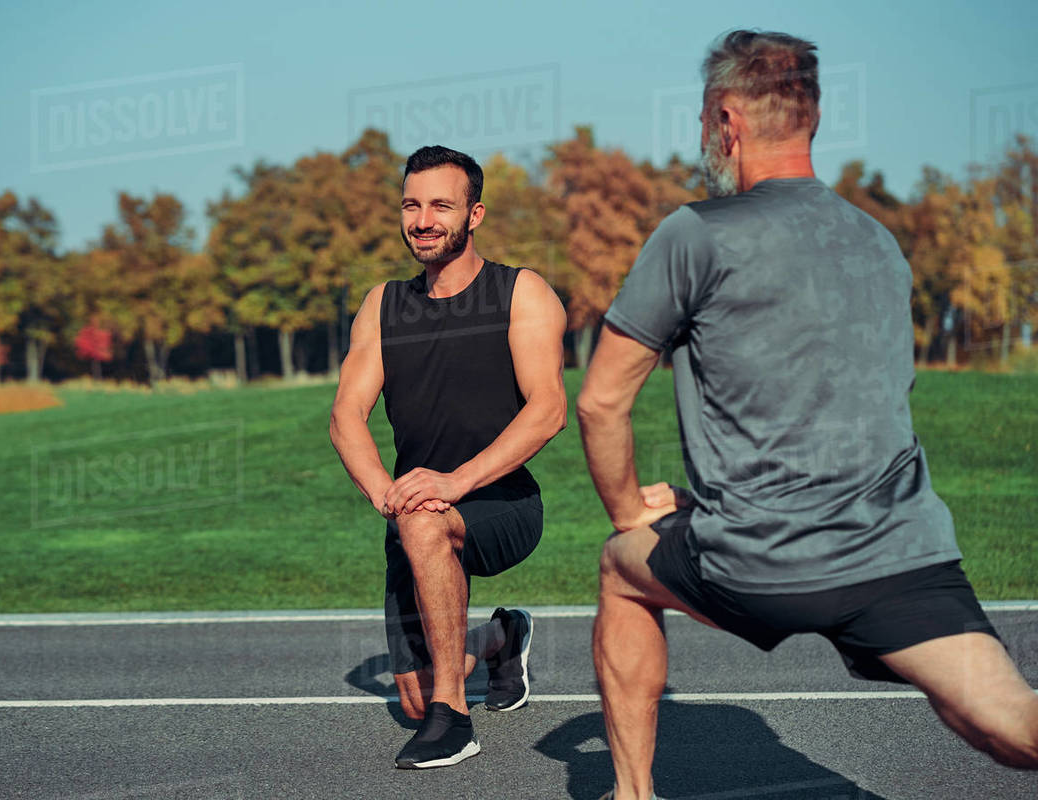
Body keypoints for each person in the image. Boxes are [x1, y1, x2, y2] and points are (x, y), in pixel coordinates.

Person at [577, 30, 1038, 800]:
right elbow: (857, 412)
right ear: (809, 119)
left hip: (761, 560)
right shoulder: (878, 243)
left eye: (703, 121)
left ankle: (631, 796)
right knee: (1008, 722)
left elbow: (599, 401)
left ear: (727, 120)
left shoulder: (695, 232)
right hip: (899, 557)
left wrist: (631, 509)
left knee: (622, 569)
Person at [330, 145, 567, 769]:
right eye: (412, 204)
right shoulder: (383, 305)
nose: (423, 219)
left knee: (437, 697)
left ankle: (456, 721)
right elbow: (345, 418)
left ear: (475, 214)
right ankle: (500, 637)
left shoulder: (521, 293)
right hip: (413, 511)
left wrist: (454, 483)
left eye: (441, 204)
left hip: (503, 500)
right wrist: (389, 493)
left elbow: (547, 411)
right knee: (412, 696)